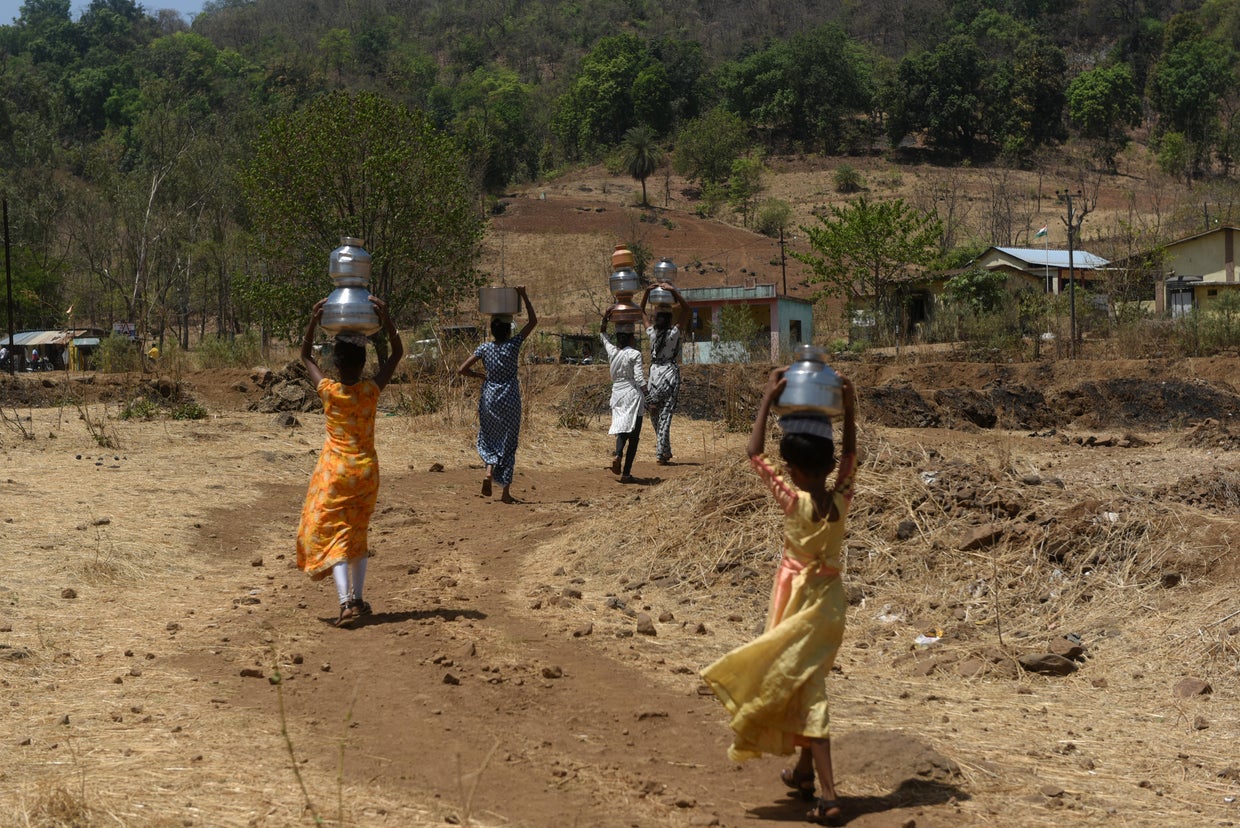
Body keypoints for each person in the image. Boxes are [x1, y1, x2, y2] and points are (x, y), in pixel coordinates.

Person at [700, 366, 857, 826]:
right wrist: (849, 405)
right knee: (803, 679)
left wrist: (768, 398)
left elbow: (753, 454)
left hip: (796, 605)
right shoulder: (842, 496)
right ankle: (804, 774)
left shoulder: (793, 501)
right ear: (829, 467)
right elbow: (851, 453)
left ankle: (829, 797)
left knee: (807, 691)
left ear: (792, 467)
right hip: (829, 607)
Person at [295, 295, 404, 627]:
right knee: (357, 531)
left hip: (336, 473)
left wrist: (314, 321)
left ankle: (346, 604)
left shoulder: (328, 391)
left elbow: (304, 356)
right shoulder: (371, 391)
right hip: (367, 472)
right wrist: (385, 317)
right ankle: (357, 598)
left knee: (336, 534)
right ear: (363, 363)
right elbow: (398, 353)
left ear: (337, 364)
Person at [457, 286, 538, 503]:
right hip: (510, 397)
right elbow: (533, 322)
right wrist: (523, 295)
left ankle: (488, 471)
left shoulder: (484, 348)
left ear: (492, 330)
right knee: (508, 442)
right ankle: (505, 493)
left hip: (490, 398)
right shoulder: (514, 345)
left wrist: (480, 376)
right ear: (509, 330)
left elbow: (461, 369)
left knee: (490, 437)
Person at [640, 282, 692, 465]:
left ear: (656, 319)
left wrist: (647, 292)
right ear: (669, 319)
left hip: (654, 374)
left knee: (654, 412)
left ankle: (663, 451)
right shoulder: (674, 333)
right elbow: (687, 310)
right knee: (666, 413)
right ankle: (662, 453)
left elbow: (641, 312)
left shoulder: (651, 333)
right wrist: (673, 292)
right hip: (670, 373)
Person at [600, 309, 647, 483]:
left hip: (617, 395)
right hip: (632, 395)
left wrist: (604, 318)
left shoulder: (613, 352)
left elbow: (603, 335)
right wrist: (649, 397)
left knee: (621, 428)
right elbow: (640, 378)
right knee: (634, 436)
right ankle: (626, 473)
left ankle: (618, 454)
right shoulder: (635, 354)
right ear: (630, 338)